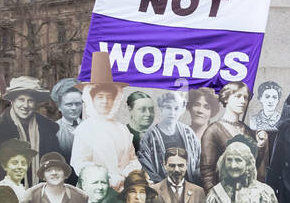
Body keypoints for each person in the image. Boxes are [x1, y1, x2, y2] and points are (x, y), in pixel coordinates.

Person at [71, 61, 141, 192]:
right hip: (96, 189)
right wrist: (107, 178)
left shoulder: (121, 129)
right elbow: (80, 164)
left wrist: (127, 175)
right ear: (92, 99)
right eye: (100, 97)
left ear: (115, 99)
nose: (105, 101)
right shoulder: (85, 129)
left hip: (123, 188)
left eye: (109, 97)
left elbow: (132, 159)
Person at [0, 76, 62, 184]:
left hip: (41, 191)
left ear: (36, 103)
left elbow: (56, 161)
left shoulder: (47, 128)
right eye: (21, 100)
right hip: (7, 191)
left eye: (30, 101)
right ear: (12, 101)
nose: (25, 105)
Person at [200, 81, 269, 191]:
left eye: (245, 98)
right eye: (238, 96)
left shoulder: (248, 131)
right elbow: (207, 172)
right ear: (226, 98)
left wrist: (260, 146)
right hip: (223, 194)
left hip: (246, 194)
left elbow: (253, 165)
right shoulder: (213, 131)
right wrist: (216, 197)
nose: (243, 101)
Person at [139, 90, 201, 182]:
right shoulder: (149, 135)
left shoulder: (188, 133)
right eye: (168, 107)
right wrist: (162, 187)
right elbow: (147, 166)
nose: (172, 113)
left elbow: (198, 160)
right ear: (160, 108)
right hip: (160, 188)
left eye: (176, 108)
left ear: (181, 110)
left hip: (189, 186)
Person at [50, 79, 83, 161]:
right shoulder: (53, 130)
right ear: (59, 107)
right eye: (69, 104)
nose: (74, 108)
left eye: (78, 104)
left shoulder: (90, 127)